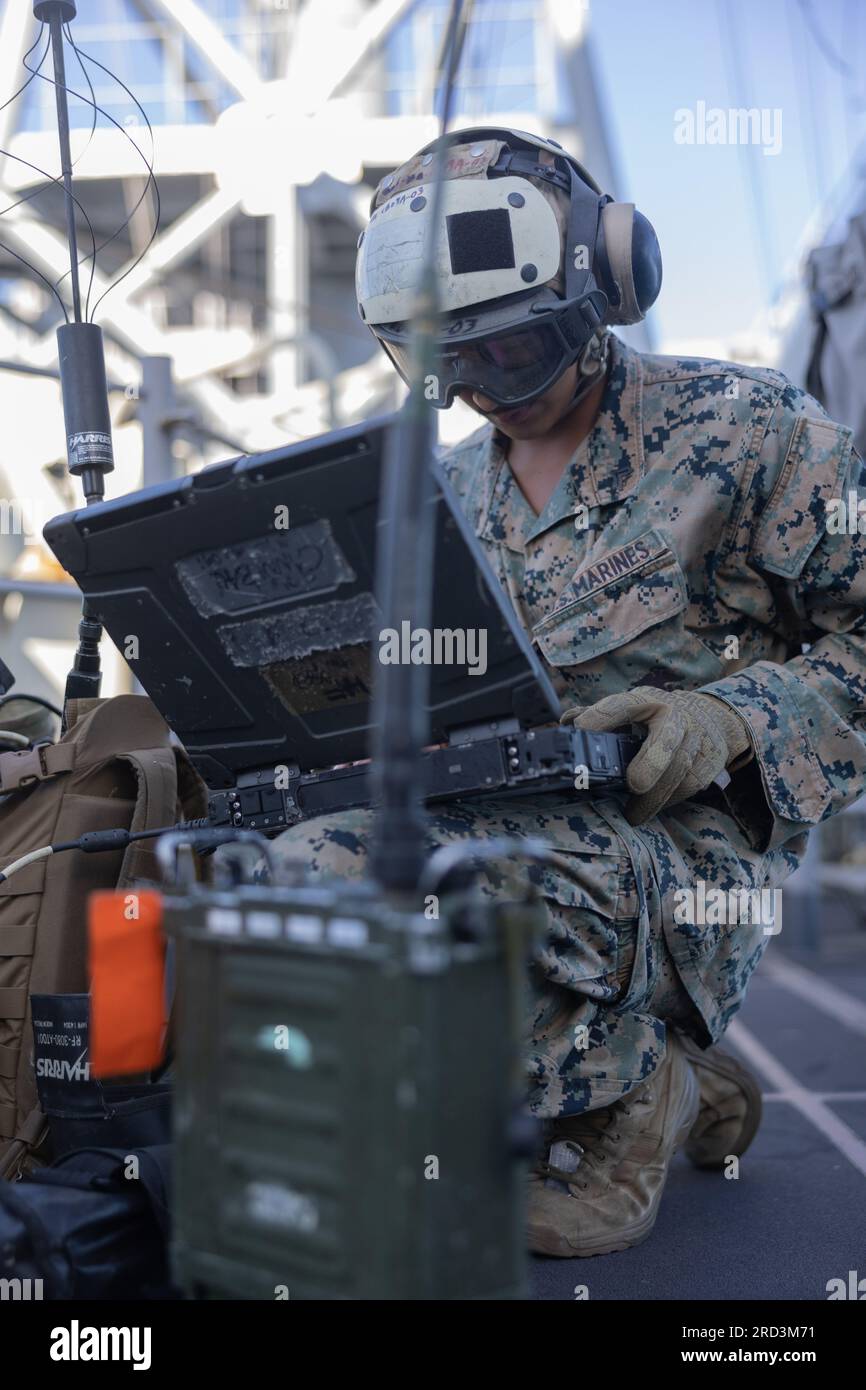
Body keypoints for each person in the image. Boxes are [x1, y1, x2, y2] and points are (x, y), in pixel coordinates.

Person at [270, 127, 866, 1257]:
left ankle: (628, 1085)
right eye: (451, 361)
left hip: (675, 863)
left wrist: (735, 716)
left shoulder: (743, 435)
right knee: (255, 881)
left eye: (518, 350)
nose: (487, 390)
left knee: (357, 888)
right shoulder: (440, 494)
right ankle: (630, 1062)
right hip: (484, 827)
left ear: (607, 286)